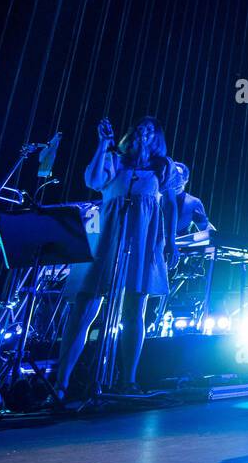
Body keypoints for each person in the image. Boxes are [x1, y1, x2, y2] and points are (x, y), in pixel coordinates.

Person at [50, 116, 180, 401]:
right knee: (85, 306)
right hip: (107, 236)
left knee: (134, 309)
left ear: (157, 136)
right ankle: (61, 384)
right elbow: (93, 181)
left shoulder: (162, 166)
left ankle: (128, 381)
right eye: (140, 128)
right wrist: (103, 144)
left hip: (142, 239)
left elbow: (170, 204)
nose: (144, 132)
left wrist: (171, 242)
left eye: (150, 129)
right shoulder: (115, 159)